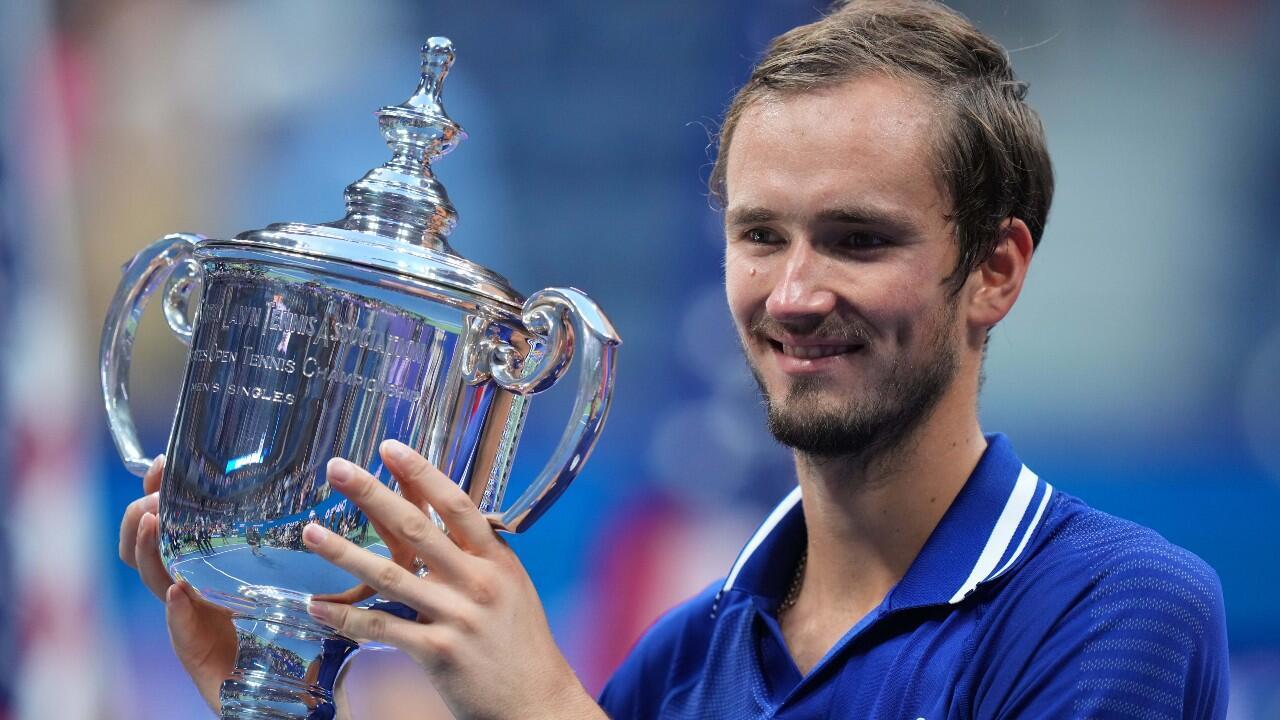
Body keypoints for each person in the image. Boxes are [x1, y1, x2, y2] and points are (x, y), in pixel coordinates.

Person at [118, 1, 1229, 717]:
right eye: (760, 235)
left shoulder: (1117, 608)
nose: (793, 293)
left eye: (857, 238)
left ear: (994, 270)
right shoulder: (681, 661)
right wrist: (263, 688)